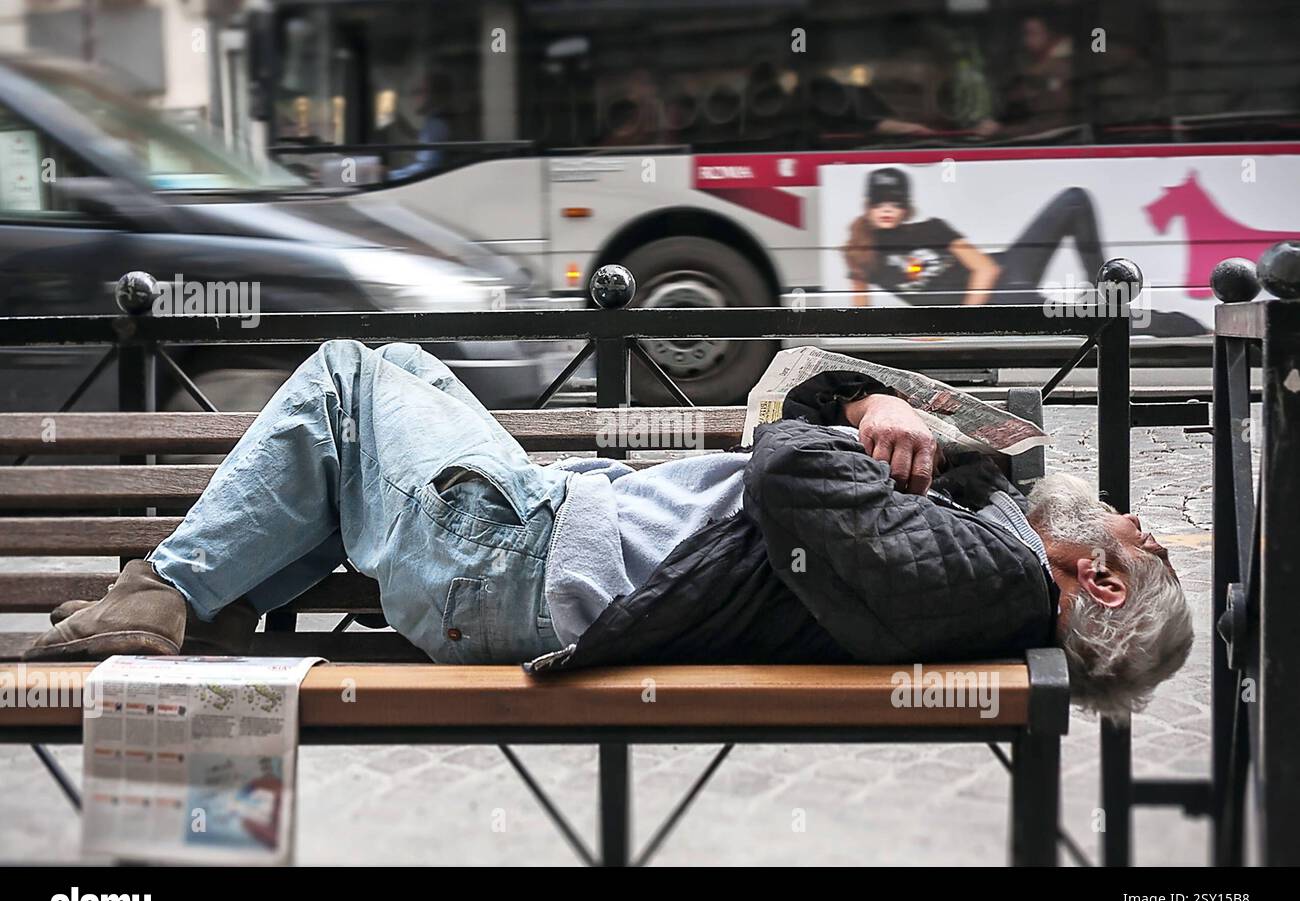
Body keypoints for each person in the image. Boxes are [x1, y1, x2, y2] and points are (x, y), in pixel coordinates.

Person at [24, 342, 1193, 719]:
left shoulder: (985, 570)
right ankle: (192, 595)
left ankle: (165, 595)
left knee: (344, 376)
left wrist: (874, 413)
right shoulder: (981, 566)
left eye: (1133, 543)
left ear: (1094, 586)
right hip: (520, 551)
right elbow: (799, 438)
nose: (1134, 520)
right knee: (406, 371)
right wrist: (878, 409)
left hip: (513, 569)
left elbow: (780, 463)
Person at [845, 166, 1105, 307]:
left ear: (906, 208)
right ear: (868, 205)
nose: (887, 209)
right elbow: (862, 316)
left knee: (1074, 200)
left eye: (895, 202)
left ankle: (1105, 293)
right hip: (997, 299)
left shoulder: (931, 229)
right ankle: (1118, 319)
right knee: (1080, 324)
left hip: (1004, 278)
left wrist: (965, 324)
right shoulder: (861, 253)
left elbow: (986, 270)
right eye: (880, 202)